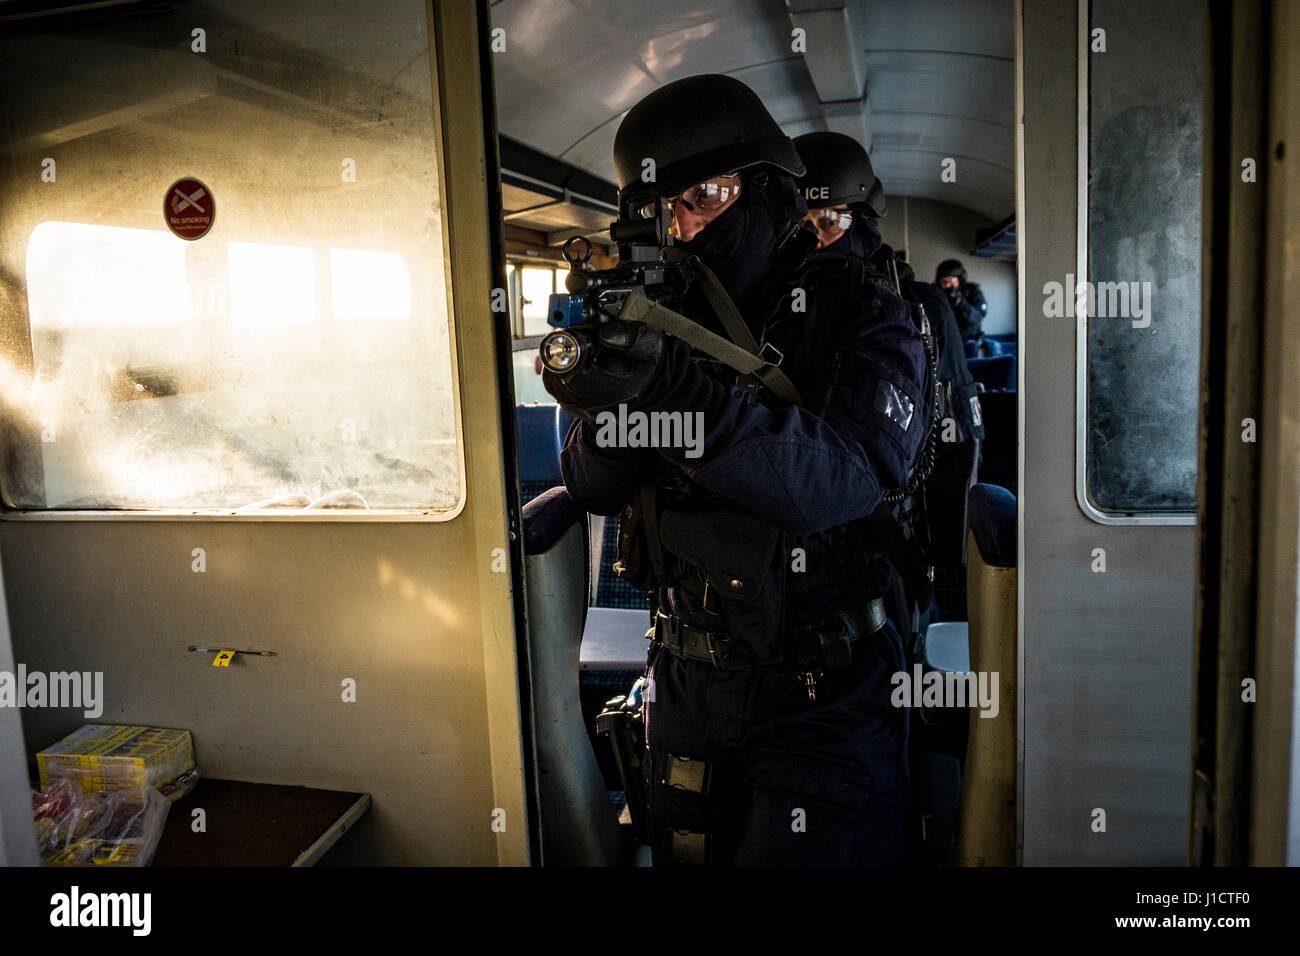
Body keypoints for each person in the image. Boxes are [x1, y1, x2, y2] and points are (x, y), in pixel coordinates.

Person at [541, 74, 930, 866]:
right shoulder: (653, 314)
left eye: (707, 196)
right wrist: (615, 398)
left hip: (824, 690)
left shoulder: (864, 312)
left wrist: (681, 398)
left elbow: (840, 484)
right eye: (666, 209)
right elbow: (590, 485)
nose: (685, 228)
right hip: (686, 679)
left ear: (769, 193)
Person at [935, 259, 988, 342]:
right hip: (945, 341)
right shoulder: (935, 294)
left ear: (960, 280)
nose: (948, 285)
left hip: (968, 341)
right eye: (944, 282)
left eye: (952, 281)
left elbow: (978, 318)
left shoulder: (973, 292)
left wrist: (961, 304)